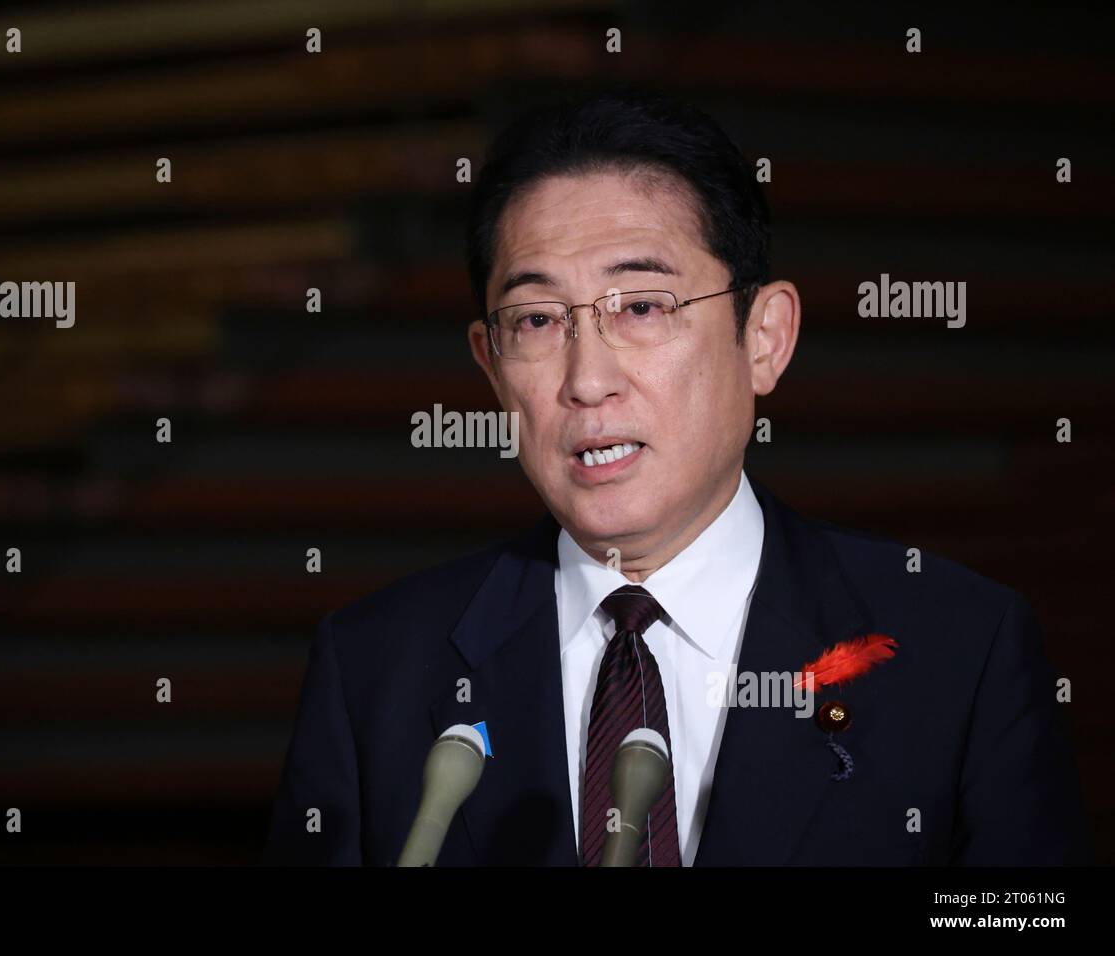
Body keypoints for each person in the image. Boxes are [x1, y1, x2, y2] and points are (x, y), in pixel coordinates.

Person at [262, 87, 1091, 866]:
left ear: (764, 337)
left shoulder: (958, 652)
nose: (588, 380)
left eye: (642, 307)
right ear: (490, 365)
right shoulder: (373, 673)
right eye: (538, 320)